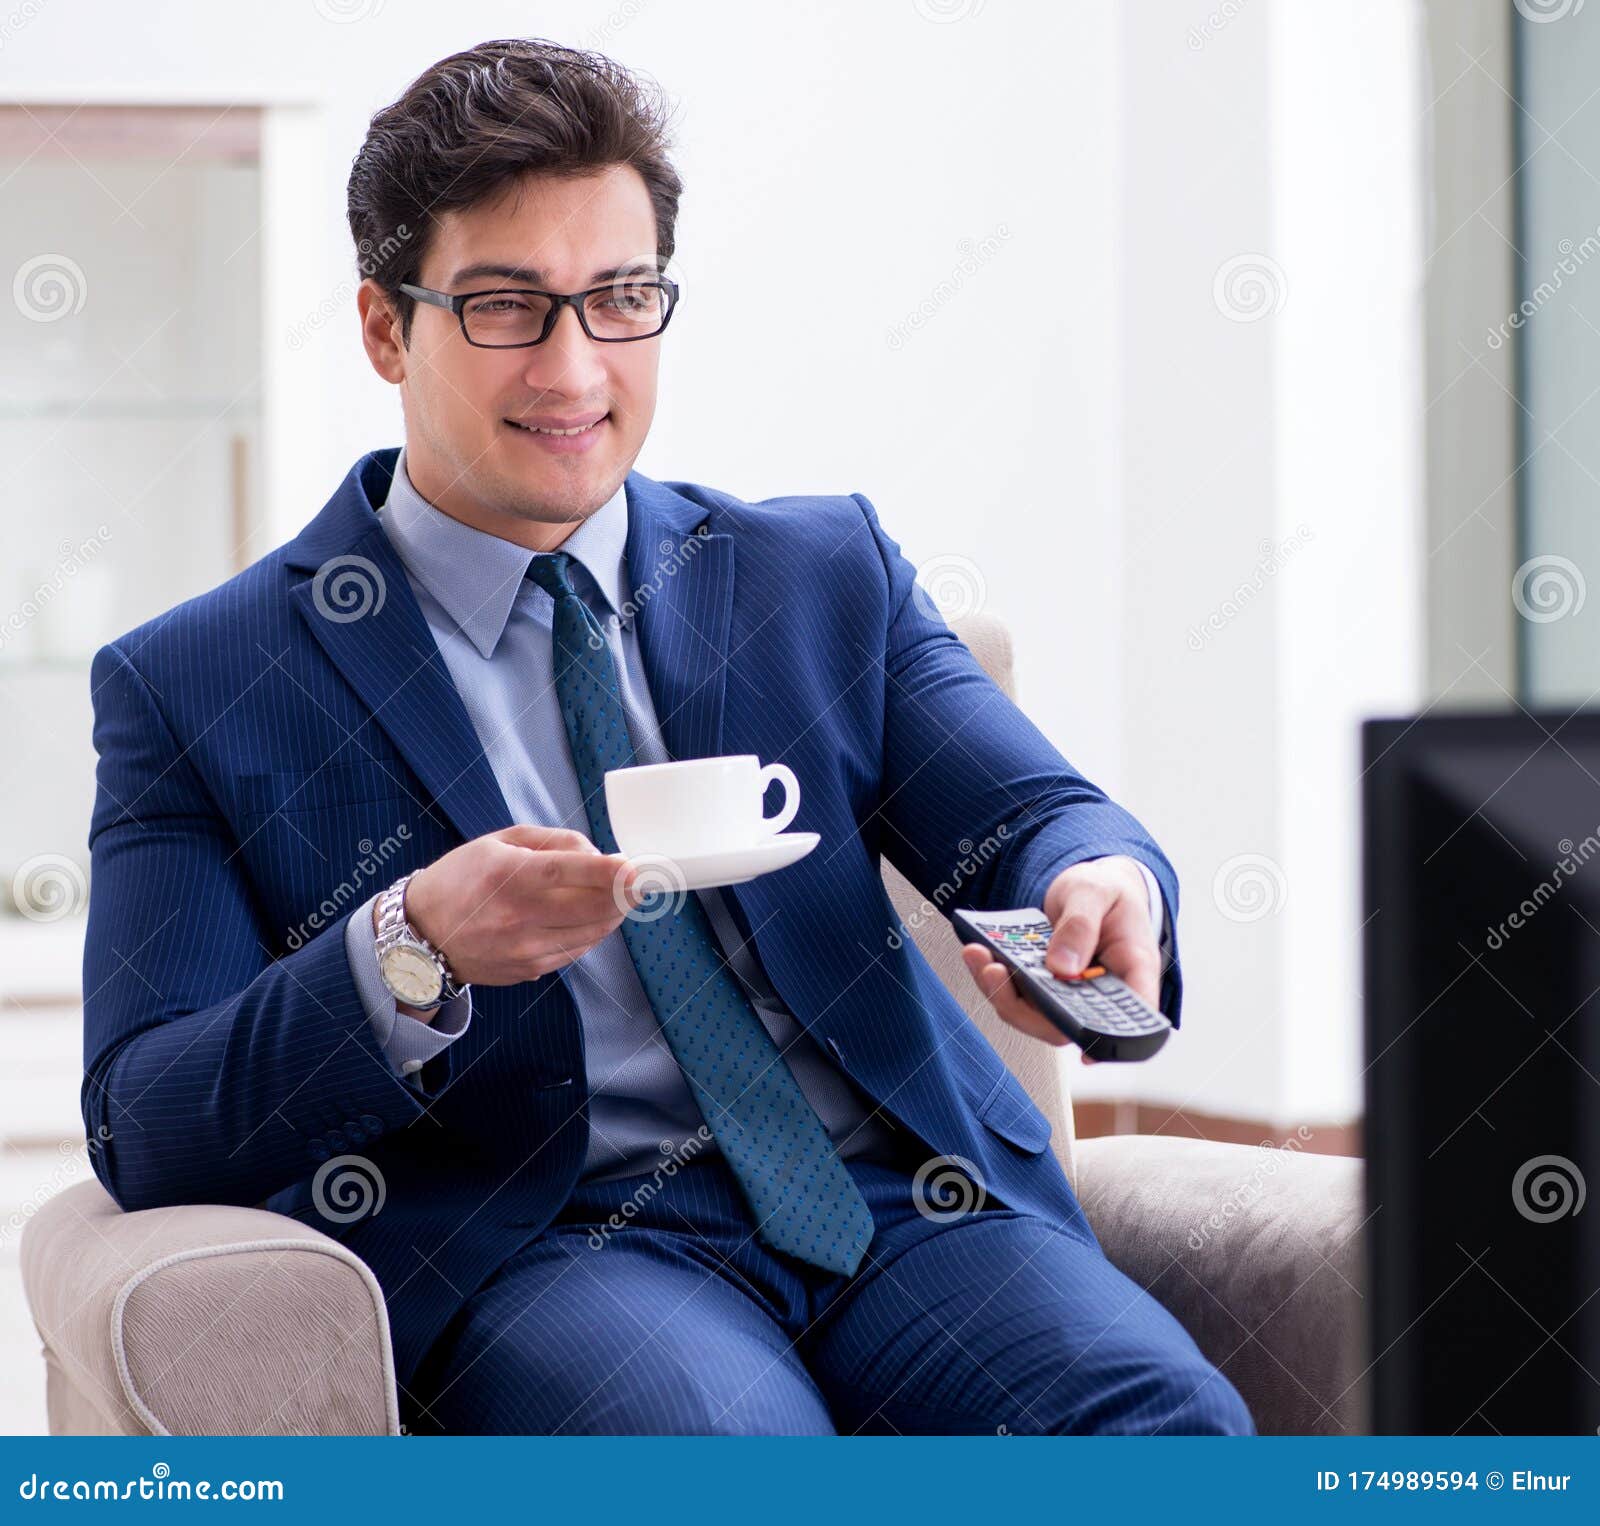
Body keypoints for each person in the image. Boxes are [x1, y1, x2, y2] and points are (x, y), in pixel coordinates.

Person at [81, 37, 1251, 1437]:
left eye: (620, 298)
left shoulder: (821, 572)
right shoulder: (200, 679)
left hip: (911, 1206)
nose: (577, 369)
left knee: (1164, 1428)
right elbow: (146, 1119)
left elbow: (1040, 817)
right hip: (573, 1242)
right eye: (510, 305)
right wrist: (408, 943)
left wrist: (1100, 880)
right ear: (387, 327)